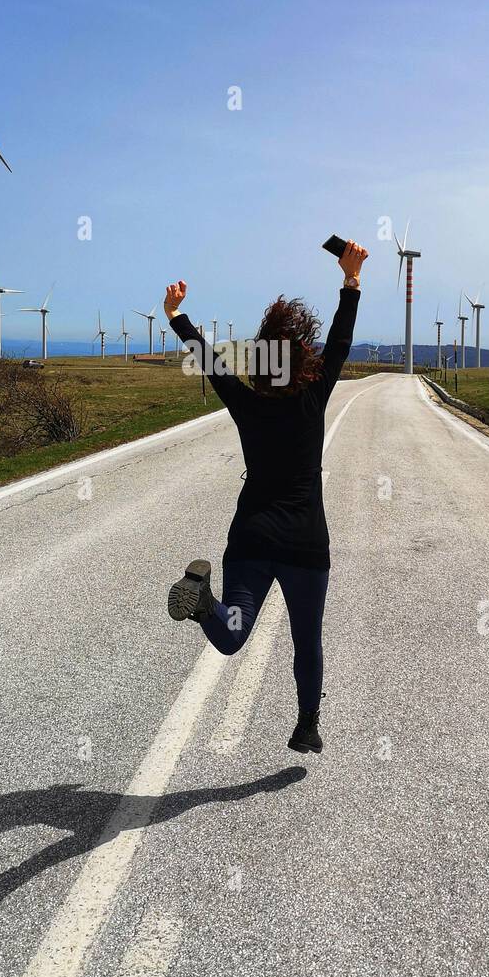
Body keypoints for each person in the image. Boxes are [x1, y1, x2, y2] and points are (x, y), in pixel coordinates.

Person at [164, 239, 368, 754]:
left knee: (233, 633)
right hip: (305, 544)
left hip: (251, 539)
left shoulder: (246, 403)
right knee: (307, 643)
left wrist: (177, 316)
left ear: (262, 360)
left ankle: (205, 600)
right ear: (302, 357)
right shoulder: (314, 395)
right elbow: (340, 344)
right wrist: (351, 281)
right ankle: (306, 725)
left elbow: (208, 361)